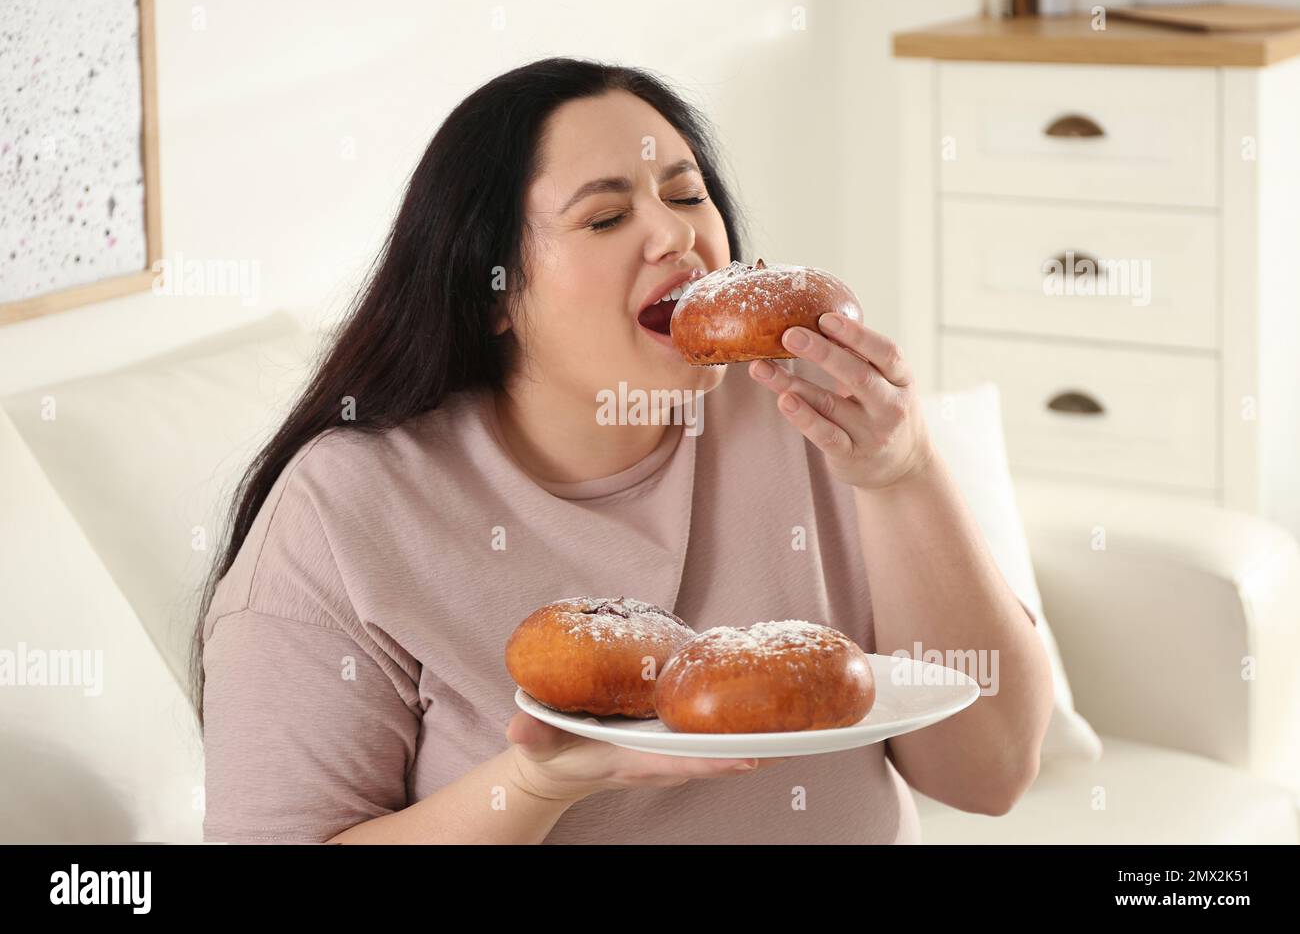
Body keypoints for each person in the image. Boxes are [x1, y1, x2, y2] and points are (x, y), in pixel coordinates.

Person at [191, 57, 1052, 845]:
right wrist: (532, 786)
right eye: (605, 216)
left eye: (685, 197)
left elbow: (989, 774)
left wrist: (903, 475)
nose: (674, 237)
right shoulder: (349, 510)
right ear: (491, 291)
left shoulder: (804, 412)